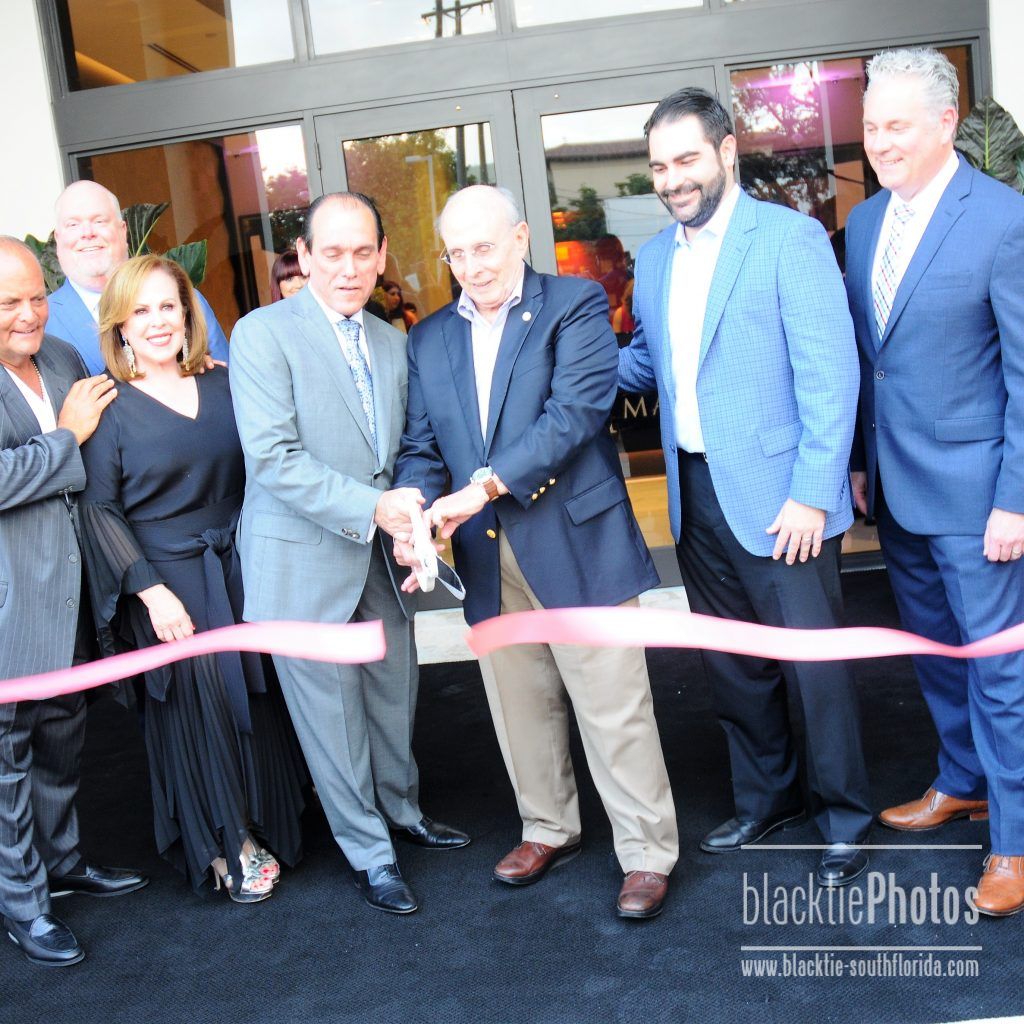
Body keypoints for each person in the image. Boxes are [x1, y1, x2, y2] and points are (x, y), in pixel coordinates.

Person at [394, 184, 679, 920]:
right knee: (519, 704)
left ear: (521, 238)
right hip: (486, 553)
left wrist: (482, 487)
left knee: (613, 705)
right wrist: (415, 505)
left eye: (484, 247)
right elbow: (423, 448)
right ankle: (549, 827)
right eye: (456, 253)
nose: (471, 266)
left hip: (575, 537)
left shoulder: (575, 304)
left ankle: (647, 851)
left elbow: (575, 413)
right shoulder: (429, 339)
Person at [618, 88, 873, 887]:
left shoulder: (789, 240)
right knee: (735, 665)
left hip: (784, 496)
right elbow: (644, 365)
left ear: (727, 153)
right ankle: (769, 799)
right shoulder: (656, 258)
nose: (673, 178)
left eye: (687, 158)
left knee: (814, 668)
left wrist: (812, 492)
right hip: (696, 495)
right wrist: (565, 366)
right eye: (660, 166)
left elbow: (832, 377)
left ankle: (844, 819)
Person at [230, 192, 469, 917]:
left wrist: (409, 511)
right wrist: (373, 506)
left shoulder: (393, 340)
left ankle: (403, 809)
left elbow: (400, 453)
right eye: (331, 252)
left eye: (363, 251)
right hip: (303, 557)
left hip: (381, 557)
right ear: (303, 258)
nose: (348, 267)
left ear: (383, 257)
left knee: (394, 693)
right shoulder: (261, 334)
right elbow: (272, 458)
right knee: (330, 719)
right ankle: (371, 854)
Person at [846, 48, 1024, 916]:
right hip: (897, 495)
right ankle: (962, 779)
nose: (879, 142)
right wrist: (855, 468)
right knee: (934, 655)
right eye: (872, 125)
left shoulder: (1003, 219)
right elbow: (868, 365)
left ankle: (1014, 841)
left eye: (896, 126)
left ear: (948, 123)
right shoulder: (866, 223)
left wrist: (1016, 498)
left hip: (980, 499)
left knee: (1001, 672)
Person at [77, 254, 306, 904]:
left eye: (167, 306)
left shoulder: (224, 383)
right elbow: (97, 509)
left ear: (188, 314)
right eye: (140, 309)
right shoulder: (107, 407)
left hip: (236, 566)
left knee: (260, 702)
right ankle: (224, 843)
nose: (156, 321)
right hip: (164, 581)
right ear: (119, 324)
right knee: (198, 710)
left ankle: (268, 820)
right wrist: (148, 591)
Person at [0, 237, 147, 968]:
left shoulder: (60, 356)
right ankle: (25, 907)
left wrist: (188, 371)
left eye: (35, 296)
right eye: (8, 304)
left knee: (62, 741)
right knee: (6, 762)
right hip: (8, 609)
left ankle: (62, 863)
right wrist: (65, 437)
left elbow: (118, 411)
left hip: (72, 598)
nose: (29, 315)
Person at [47, 181, 230, 374]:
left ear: (123, 230)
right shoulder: (42, 320)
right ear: (58, 239)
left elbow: (225, 385)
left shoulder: (186, 301)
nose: (87, 233)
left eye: (99, 221)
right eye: (73, 224)